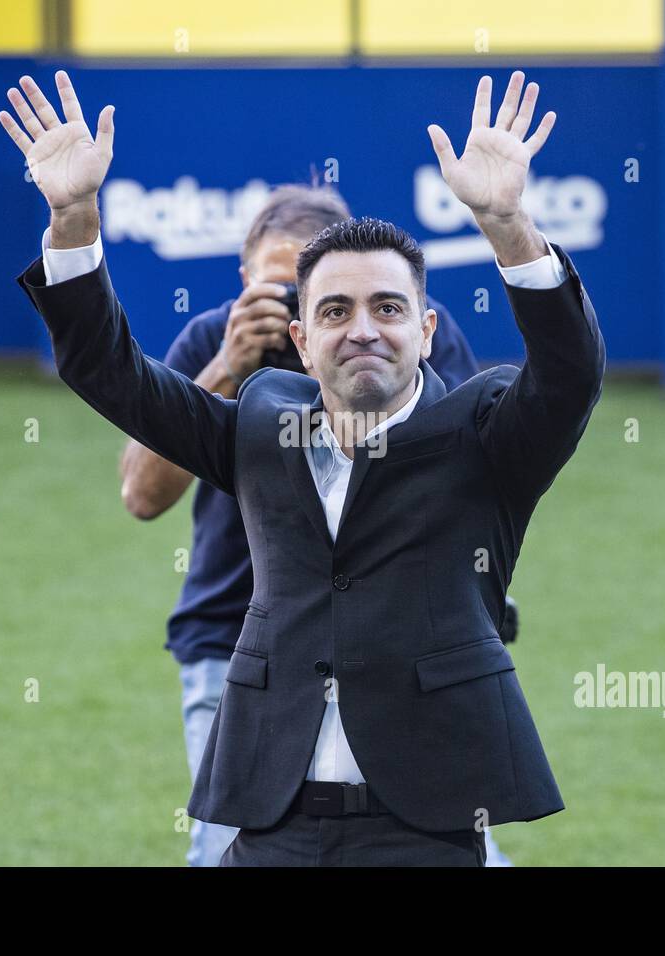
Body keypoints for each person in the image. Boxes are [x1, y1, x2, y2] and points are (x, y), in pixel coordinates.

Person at [0, 68, 604, 865]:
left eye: (387, 308)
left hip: (428, 827)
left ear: (427, 330)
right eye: (334, 311)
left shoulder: (487, 437)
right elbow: (111, 373)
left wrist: (508, 224)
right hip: (269, 824)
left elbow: (569, 370)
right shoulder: (257, 429)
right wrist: (74, 216)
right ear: (302, 340)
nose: (363, 330)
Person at [116, 183, 523, 865]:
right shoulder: (214, 335)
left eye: (329, 296)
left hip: (397, 641)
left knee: (449, 834)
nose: (337, 321)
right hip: (238, 639)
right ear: (245, 280)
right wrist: (227, 366)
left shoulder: (401, 333)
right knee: (223, 848)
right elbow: (141, 494)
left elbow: (463, 471)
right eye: (282, 293)